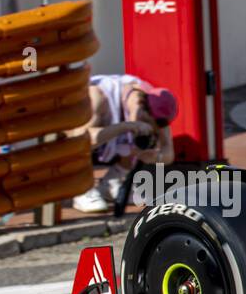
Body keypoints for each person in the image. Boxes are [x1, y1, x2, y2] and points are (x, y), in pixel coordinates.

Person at [69, 75, 177, 215]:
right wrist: (125, 126)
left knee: (132, 141)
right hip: (65, 141)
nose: (144, 126)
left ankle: (111, 183)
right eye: (144, 120)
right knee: (122, 134)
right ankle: (82, 188)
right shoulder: (99, 96)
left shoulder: (157, 106)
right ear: (139, 102)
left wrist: (155, 156)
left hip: (101, 142)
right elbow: (81, 140)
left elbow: (169, 153)